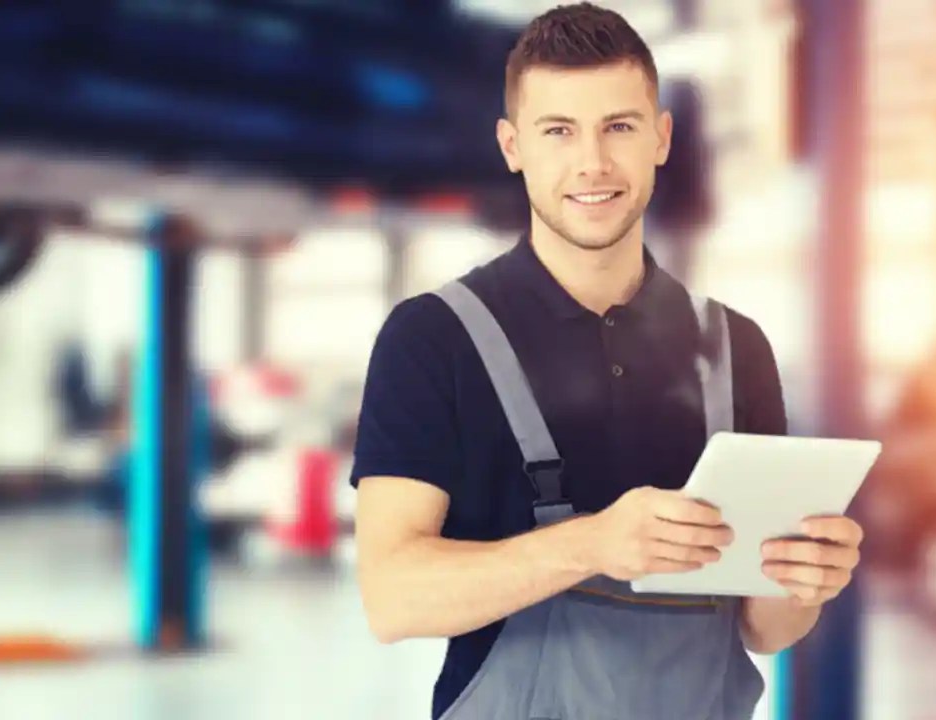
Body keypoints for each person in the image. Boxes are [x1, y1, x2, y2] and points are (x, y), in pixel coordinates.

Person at [351, 4, 863, 719]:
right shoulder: (433, 339)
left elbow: (762, 626)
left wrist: (805, 580)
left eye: (618, 127)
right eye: (558, 131)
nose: (592, 163)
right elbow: (392, 597)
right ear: (512, 146)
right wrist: (594, 543)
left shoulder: (734, 348)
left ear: (660, 138)